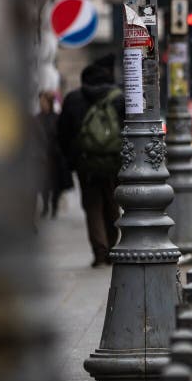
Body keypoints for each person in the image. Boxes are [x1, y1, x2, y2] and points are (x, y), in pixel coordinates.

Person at [57, 63, 125, 267]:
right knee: (113, 205)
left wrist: (71, 159)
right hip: (114, 161)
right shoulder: (119, 97)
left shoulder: (74, 99)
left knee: (92, 206)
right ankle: (112, 247)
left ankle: (100, 251)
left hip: (86, 162)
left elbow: (63, 133)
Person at [34, 90, 73, 218]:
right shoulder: (37, 119)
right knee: (44, 184)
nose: (42, 105)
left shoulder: (57, 117)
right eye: (41, 102)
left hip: (55, 156)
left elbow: (63, 136)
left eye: (44, 102)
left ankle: (54, 206)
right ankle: (46, 206)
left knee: (56, 184)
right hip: (41, 156)